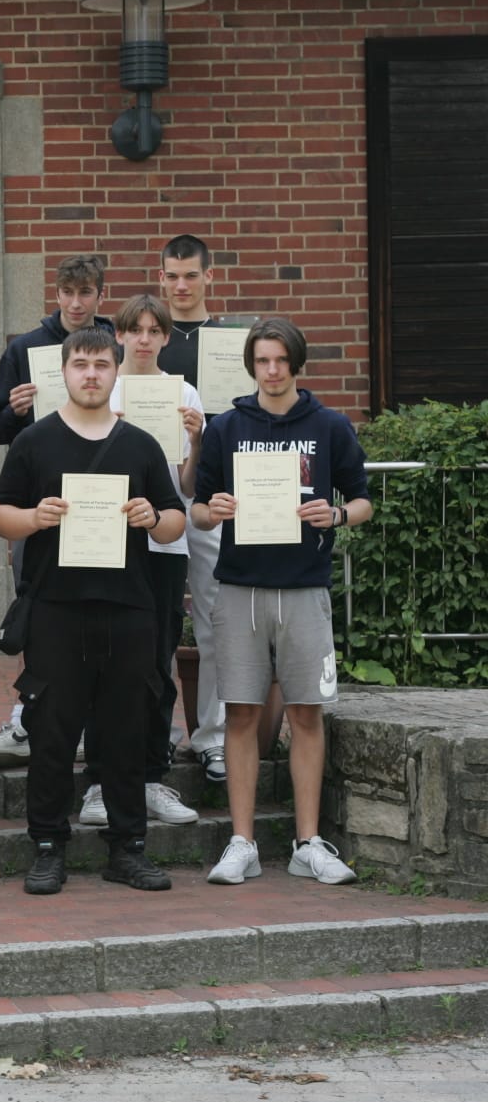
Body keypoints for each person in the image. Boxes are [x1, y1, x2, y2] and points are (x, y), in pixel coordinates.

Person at [0, 326, 186, 896]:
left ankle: (128, 848)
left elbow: (174, 521)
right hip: (55, 607)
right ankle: (48, 846)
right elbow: (0, 512)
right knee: (51, 731)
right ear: (66, 372)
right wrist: (34, 519)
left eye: (102, 364)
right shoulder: (35, 442)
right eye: (81, 364)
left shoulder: (142, 444)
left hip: (128, 608)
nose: (92, 374)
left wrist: (152, 516)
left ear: (115, 370)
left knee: (125, 731)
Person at [194, 318, 372, 887]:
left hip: (304, 587)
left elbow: (363, 500)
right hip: (240, 586)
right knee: (241, 714)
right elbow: (197, 510)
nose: (272, 371)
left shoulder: (329, 426)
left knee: (306, 713)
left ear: (296, 362)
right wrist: (214, 510)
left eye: (280, 360)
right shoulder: (226, 427)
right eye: (263, 361)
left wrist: (338, 514)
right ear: (251, 365)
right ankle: (241, 841)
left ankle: (307, 842)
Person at [0, 253, 112, 771]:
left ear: (101, 295)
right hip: (40, 498)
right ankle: (34, 710)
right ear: (55, 295)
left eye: (87, 293)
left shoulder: (112, 348)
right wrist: (11, 407)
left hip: (102, 501)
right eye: (68, 293)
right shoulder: (24, 348)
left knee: (99, 608)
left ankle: (91, 714)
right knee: (38, 608)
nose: (76, 303)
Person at [75, 294, 204, 830]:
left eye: (156, 330)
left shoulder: (186, 392)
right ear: (119, 334)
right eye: (136, 329)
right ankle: (101, 784)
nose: (145, 338)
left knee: (155, 665)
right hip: (107, 542)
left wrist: (196, 440)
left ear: (167, 338)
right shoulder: (107, 387)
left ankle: (152, 777)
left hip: (164, 544)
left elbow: (190, 486)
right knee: (103, 665)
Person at [156, 234, 230, 783]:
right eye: (172, 276)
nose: (181, 286)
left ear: (209, 277)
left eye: (190, 276)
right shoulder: (147, 341)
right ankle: (153, 736)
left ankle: (214, 737)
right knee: (153, 619)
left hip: (210, 493)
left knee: (212, 615)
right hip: (153, 492)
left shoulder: (233, 342)